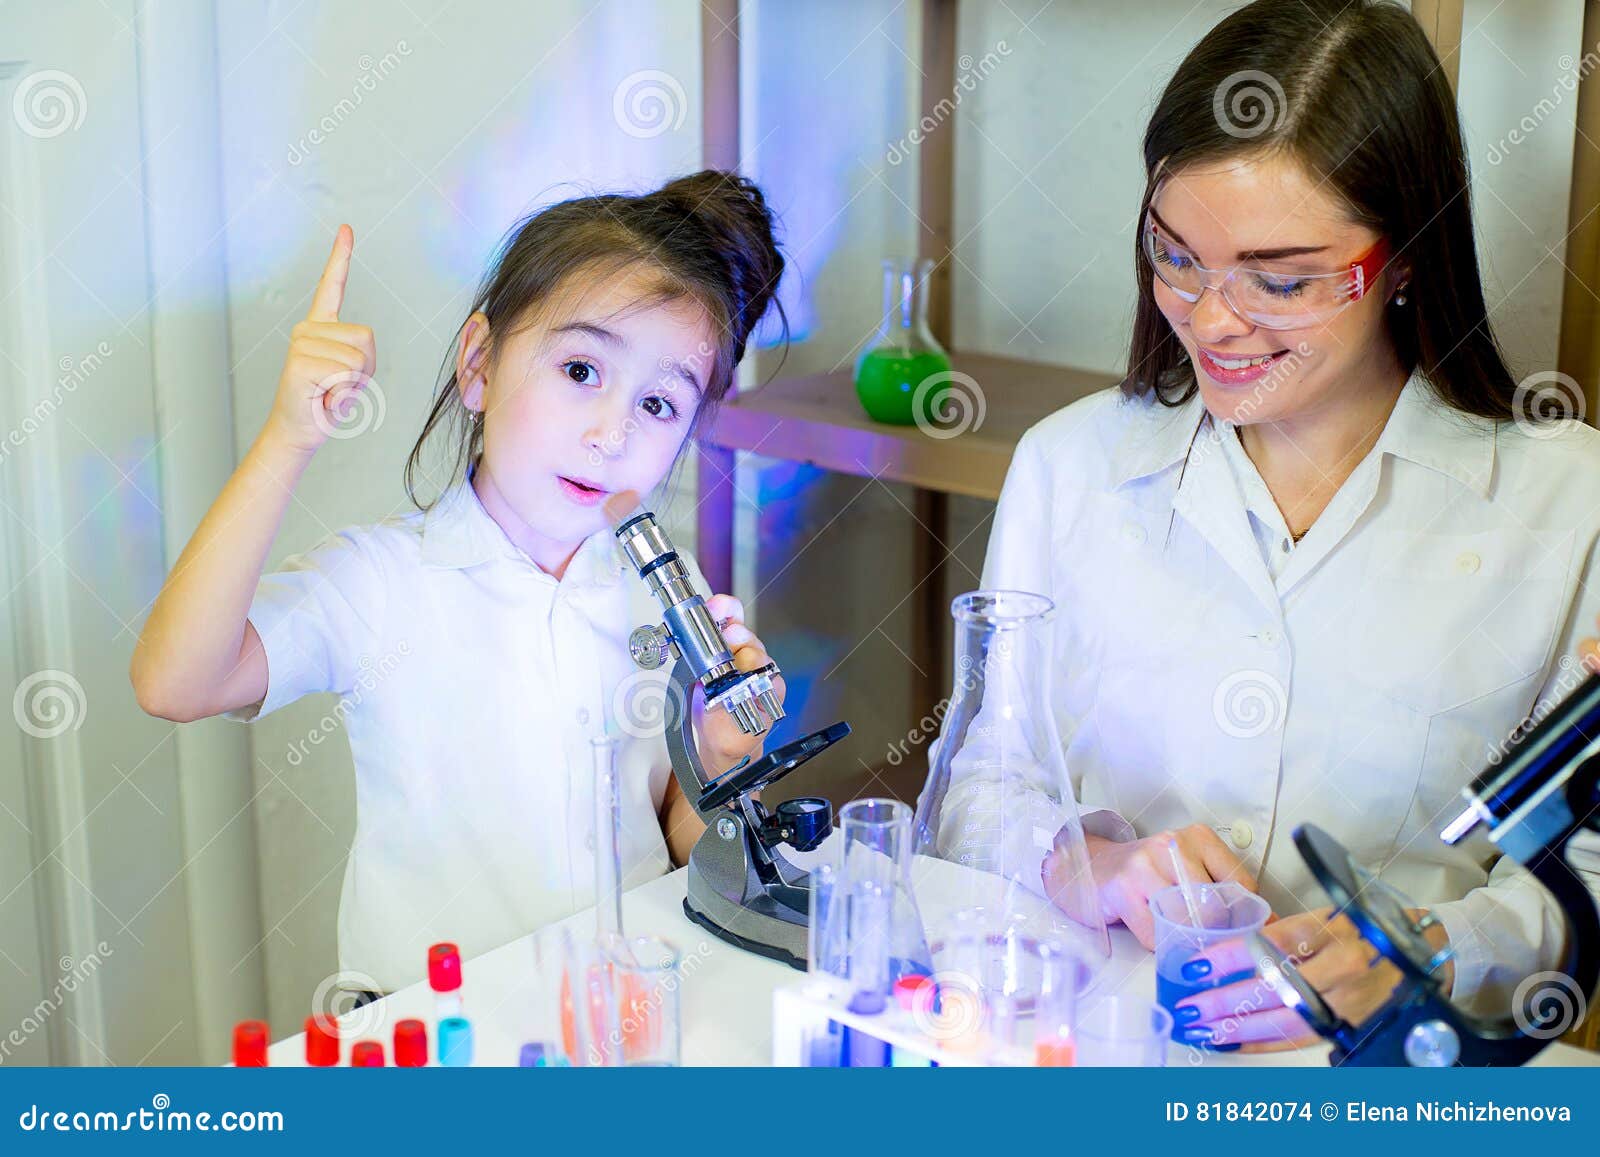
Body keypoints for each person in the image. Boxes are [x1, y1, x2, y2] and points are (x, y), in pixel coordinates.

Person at [985, 0, 1600, 1049]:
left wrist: (1431, 943)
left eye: (1280, 279)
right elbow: (983, 775)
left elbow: (1586, 863)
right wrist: (1075, 857)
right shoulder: (1068, 465)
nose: (1215, 319)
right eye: (1176, 257)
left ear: (1404, 257)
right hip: (1097, 1047)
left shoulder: (1569, 502)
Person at [131, 171, 787, 995]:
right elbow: (174, 680)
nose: (611, 432)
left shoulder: (666, 588)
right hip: (437, 1043)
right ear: (479, 364)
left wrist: (728, 757)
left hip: (618, 1023)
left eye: (658, 404)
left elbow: (677, 840)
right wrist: (288, 437)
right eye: (581, 369)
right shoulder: (380, 582)